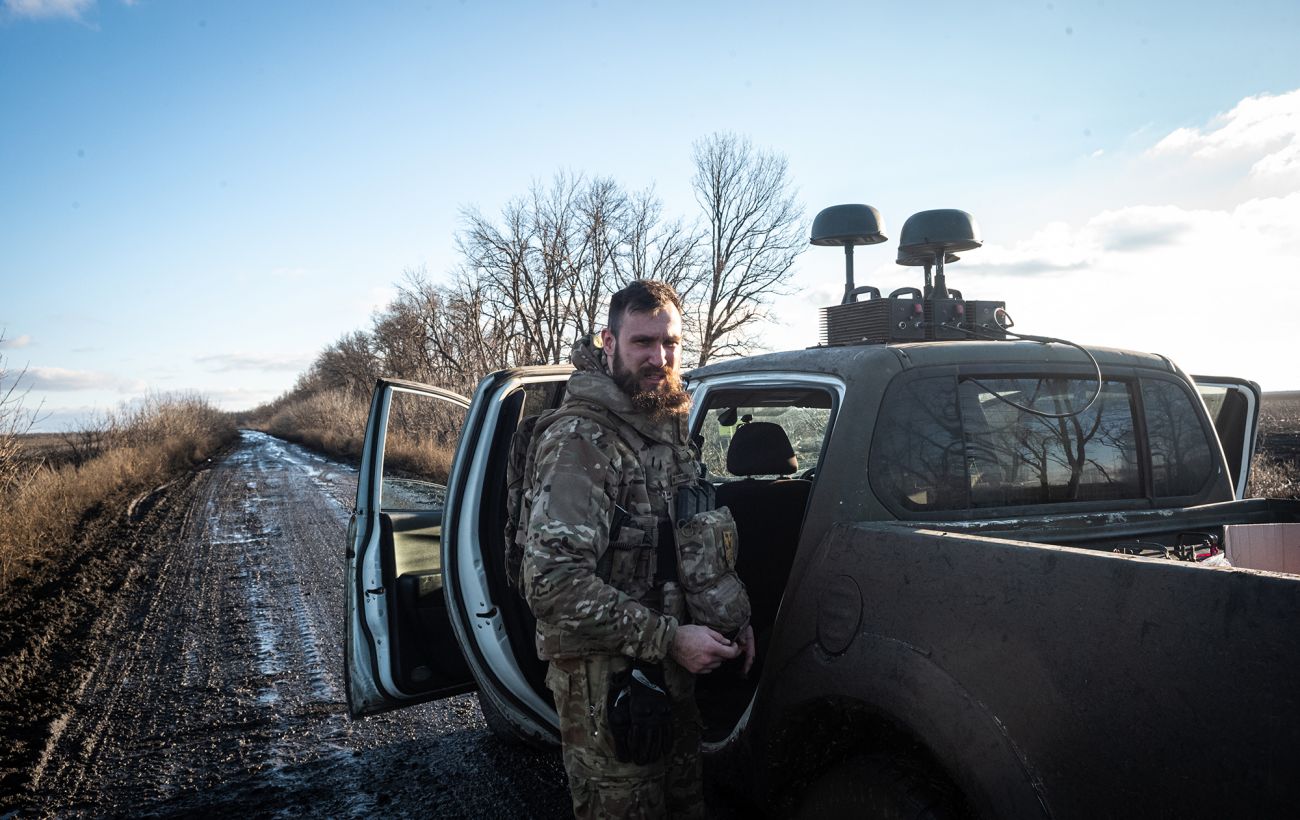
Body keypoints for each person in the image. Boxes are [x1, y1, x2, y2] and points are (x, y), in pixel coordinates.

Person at [520, 280, 755, 819]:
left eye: (669, 342)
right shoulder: (583, 439)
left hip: (669, 671)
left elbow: (690, 542)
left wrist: (730, 618)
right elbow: (552, 583)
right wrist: (670, 640)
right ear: (608, 342)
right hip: (608, 683)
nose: (659, 357)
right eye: (642, 342)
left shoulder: (664, 426)